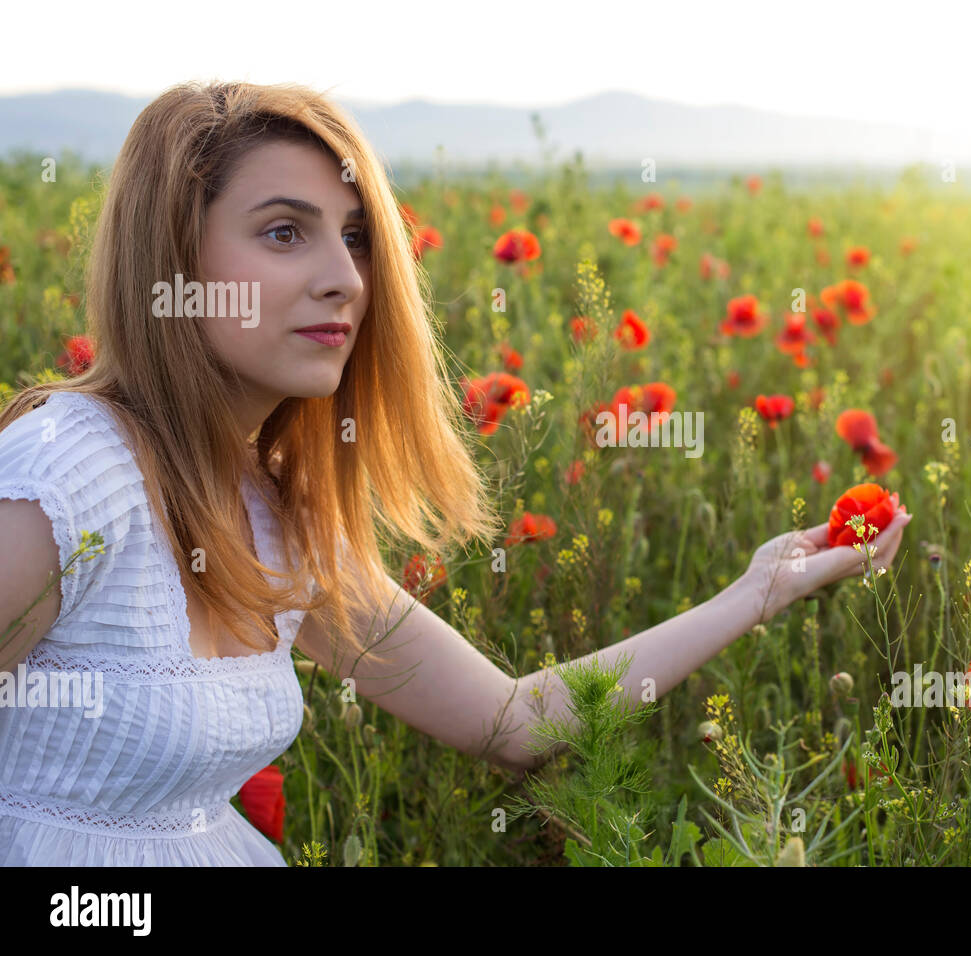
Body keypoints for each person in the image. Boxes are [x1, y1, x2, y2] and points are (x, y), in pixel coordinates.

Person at [0, 80, 912, 866]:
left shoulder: (269, 513)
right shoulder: (72, 471)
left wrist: (756, 592)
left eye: (357, 238)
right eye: (285, 233)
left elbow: (514, 725)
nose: (345, 280)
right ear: (171, 260)